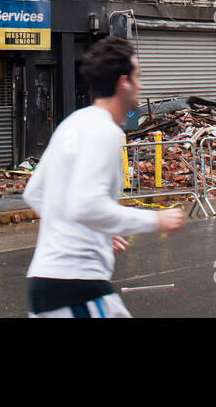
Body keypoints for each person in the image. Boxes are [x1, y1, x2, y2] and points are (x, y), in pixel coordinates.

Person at [23, 36, 185, 318]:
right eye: (138, 77)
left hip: (46, 281)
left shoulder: (73, 123)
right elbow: (87, 205)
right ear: (124, 83)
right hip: (76, 283)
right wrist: (155, 220)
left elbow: (35, 192)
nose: (141, 85)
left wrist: (96, 228)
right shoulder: (106, 132)